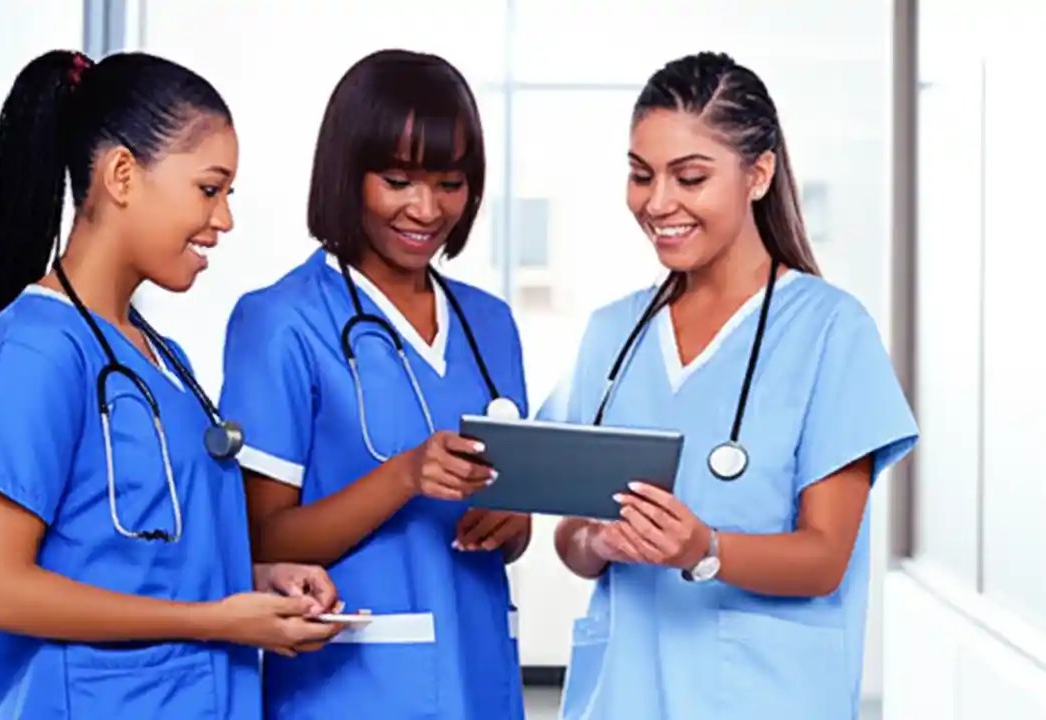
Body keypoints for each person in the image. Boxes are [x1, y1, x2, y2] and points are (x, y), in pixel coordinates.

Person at [0, 49, 343, 719]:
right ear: (123, 175)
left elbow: (134, 562)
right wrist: (216, 620)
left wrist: (252, 587)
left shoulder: (163, 360)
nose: (224, 221)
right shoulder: (37, 350)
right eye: (209, 189)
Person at [547, 52, 918, 719]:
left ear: (759, 173)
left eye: (689, 177)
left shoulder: (831, 331)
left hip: (765, 697)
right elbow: (572, 538)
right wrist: (597, 542)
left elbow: (825, 556)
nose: (658, 203)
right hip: (622, 696)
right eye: (640, 176)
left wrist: (705, 550)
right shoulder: (613, 335)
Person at [218, 49, 530, 719]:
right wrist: (405, 476)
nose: (427, 209)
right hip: (349, 688)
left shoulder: (490, 325)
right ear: (347, 173)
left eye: (450, 183)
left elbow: (512, 530)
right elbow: (259, 541)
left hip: (482, 681)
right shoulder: (282, 322)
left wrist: (513, 520)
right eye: (397, 180)